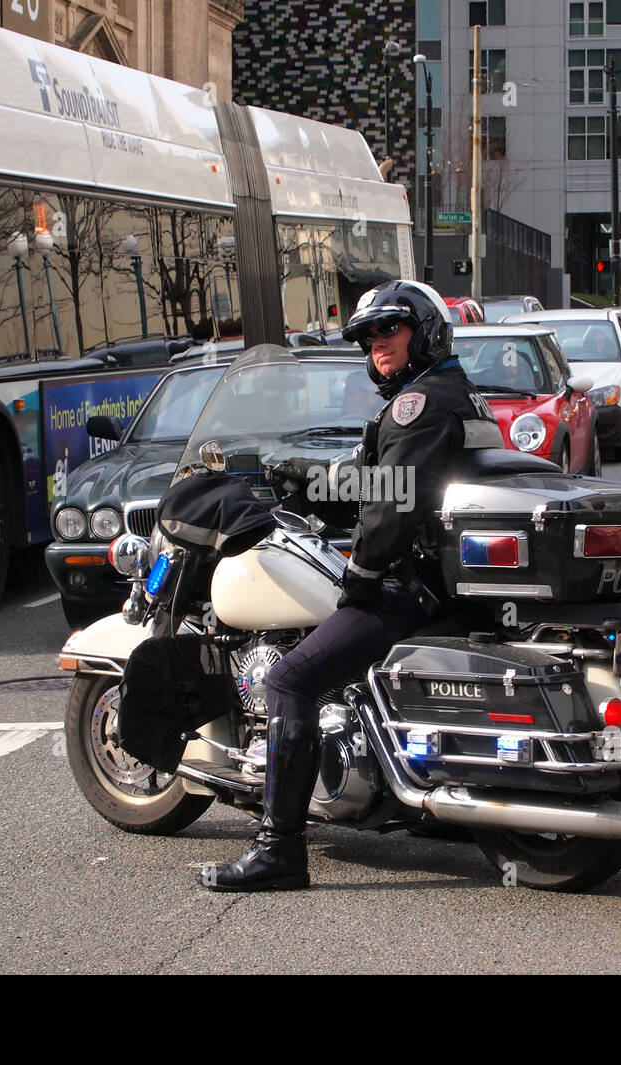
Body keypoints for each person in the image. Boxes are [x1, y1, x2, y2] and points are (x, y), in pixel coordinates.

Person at [199, 280, 505, 892]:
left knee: (289, 678)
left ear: (425, 330)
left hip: (408, 588)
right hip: (449, 584)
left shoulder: (418, 405)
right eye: (368, 337)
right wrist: (305, 478)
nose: (377, 345)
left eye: (389, 330)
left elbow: (394, 507)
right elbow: (377, 480)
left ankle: (278, 849)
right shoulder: (455, 395)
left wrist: (359, 579)